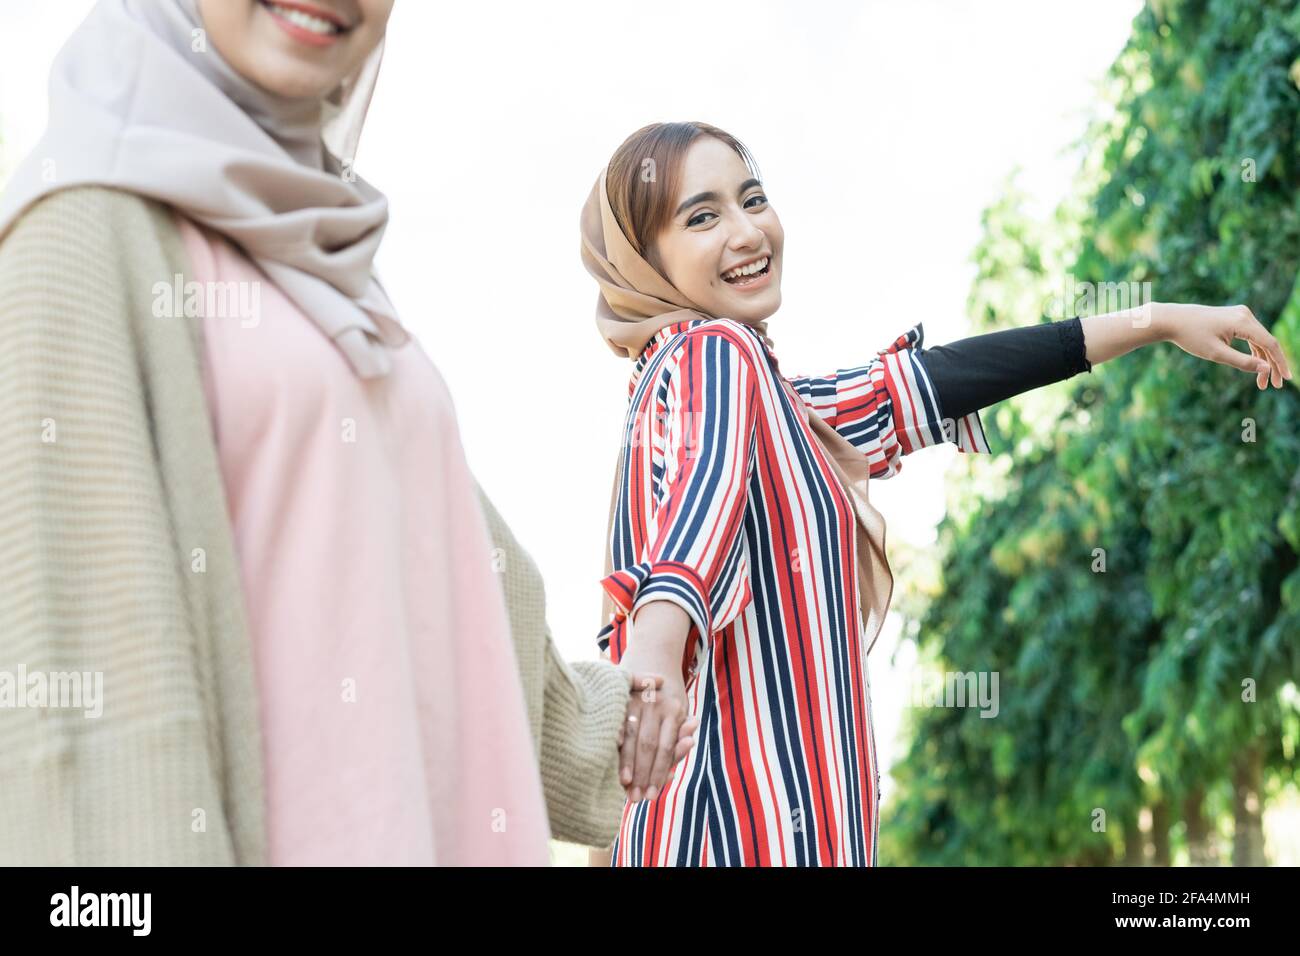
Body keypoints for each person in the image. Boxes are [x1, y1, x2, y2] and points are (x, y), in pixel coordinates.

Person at [0, 0, 692, 865]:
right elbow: (87, 737)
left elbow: (450, 593)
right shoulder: (82, 235)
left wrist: (629, 710)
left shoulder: (319, 257)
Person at [579, 120, 1292, 867]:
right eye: (703, 216)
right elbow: (702, 505)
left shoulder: (774, 409)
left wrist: (1159, 320)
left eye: (752, 199)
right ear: (642, 259)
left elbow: (944, 377)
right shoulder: (712, 355)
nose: (747, 230)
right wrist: (658, 645)